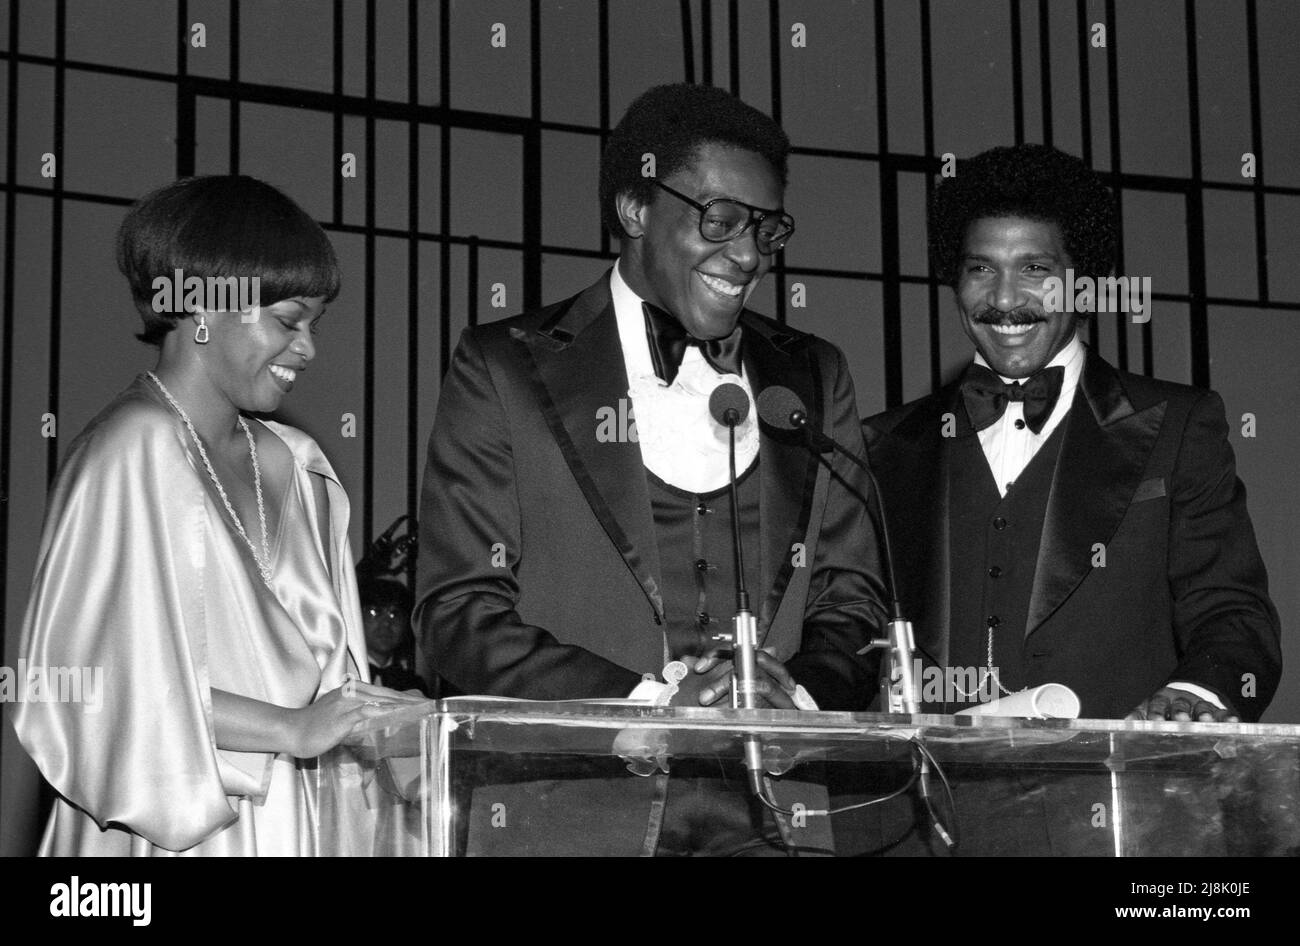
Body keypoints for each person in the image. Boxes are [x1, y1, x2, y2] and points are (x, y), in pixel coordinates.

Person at [415, 83, 888, 855]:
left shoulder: (813, 373)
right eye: (722, 220)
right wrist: (645, 706)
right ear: (635, 210)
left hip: (777, 821)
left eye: (766, 230)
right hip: (568, 815)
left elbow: (853, 598)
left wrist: (798, 695)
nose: (748, 256)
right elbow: (458, 613)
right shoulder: (503, 367)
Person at [11, 175, 423, 856]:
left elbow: (330, 687)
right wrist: (291, 730)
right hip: (172, 830)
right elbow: (84, 696)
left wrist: (380, 717)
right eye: (289, 320)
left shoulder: (300, 465)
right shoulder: (131, 451)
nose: (308, 349)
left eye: (314, 325)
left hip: (297, 823)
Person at [862, 144, 1281, 724]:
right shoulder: (881, 446)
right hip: (929, 799)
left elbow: (1232, 615)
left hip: (1121, 794)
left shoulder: (1179, 426)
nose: (1005, 300)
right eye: (981, 268)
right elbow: (850, 629)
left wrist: (1197, 696)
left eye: (1035, 270)